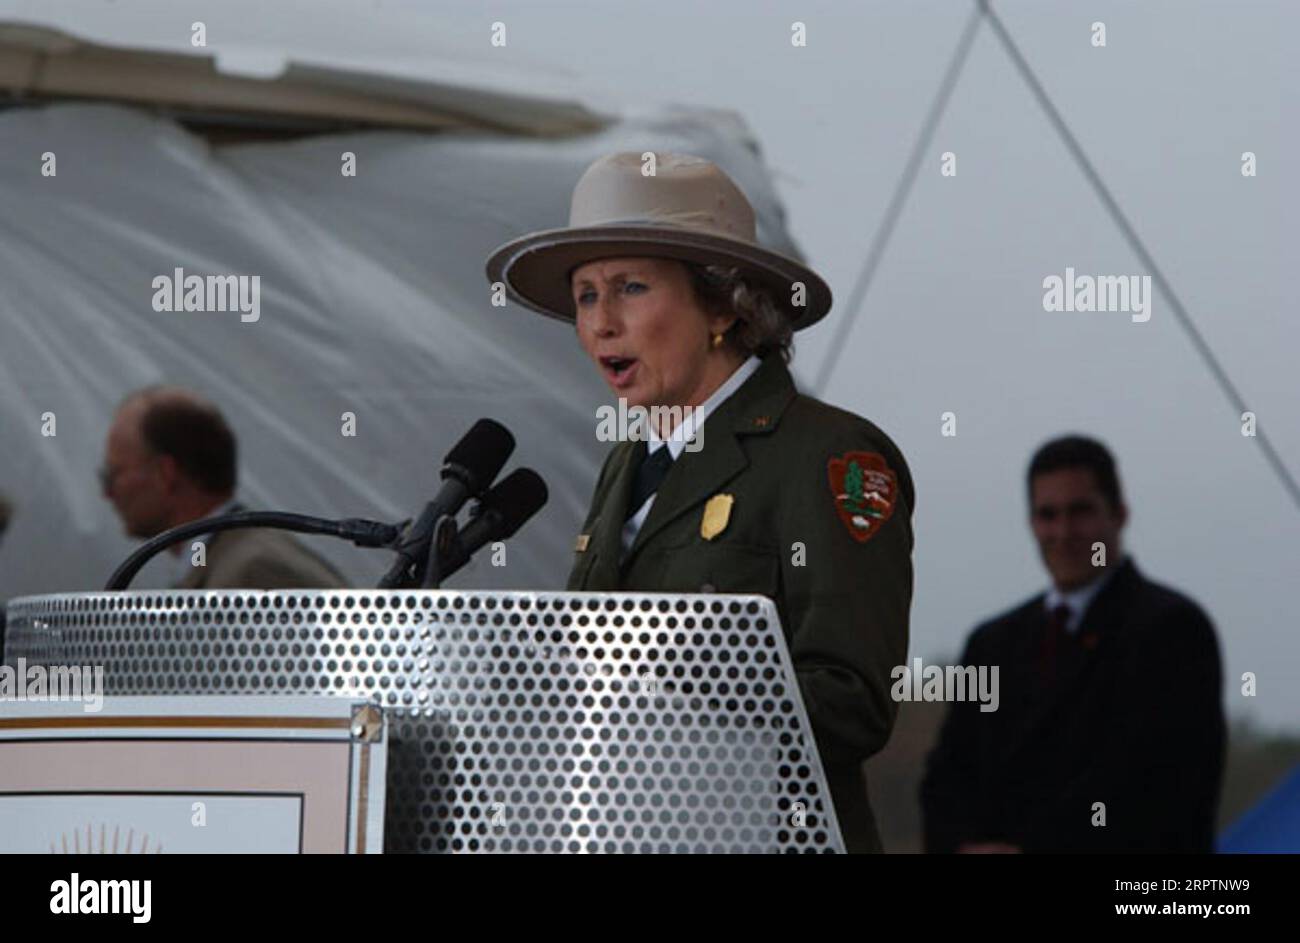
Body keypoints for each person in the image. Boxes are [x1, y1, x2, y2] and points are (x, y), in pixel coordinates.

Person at [486, 151, 915, 853]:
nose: (600, 323)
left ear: (723, 302)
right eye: (586, 295)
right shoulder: (627, 462)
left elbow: (852, 702)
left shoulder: (830, 456)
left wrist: (663, 701)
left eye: (630, 287)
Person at [920, 435, 1225, 853]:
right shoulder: (991, 644)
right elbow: (947, 778)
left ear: (1118, 515)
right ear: (1031, 523)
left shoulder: (1172, 631)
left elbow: (1160, 787)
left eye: (1080, 512)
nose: (1063, 532)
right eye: (1048, 515)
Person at [101, 386, 347, 590]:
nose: (108, 493)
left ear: (166, 474)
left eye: (113, 474)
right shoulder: (233, 562)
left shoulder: (256, 571)